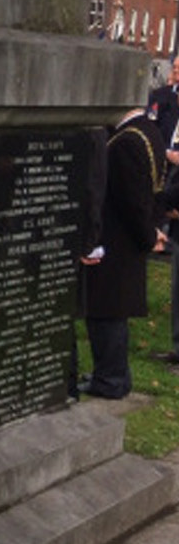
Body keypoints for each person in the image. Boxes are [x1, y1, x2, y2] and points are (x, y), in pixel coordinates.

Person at [80, 107, 164, 399]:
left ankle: (111, 378)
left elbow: (133, 200)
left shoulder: (126, 142)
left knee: (107, 312)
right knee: (111, 312)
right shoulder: (147, 131)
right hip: (128, 238)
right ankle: (114, 374)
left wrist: (148, 235)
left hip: (116, 240)